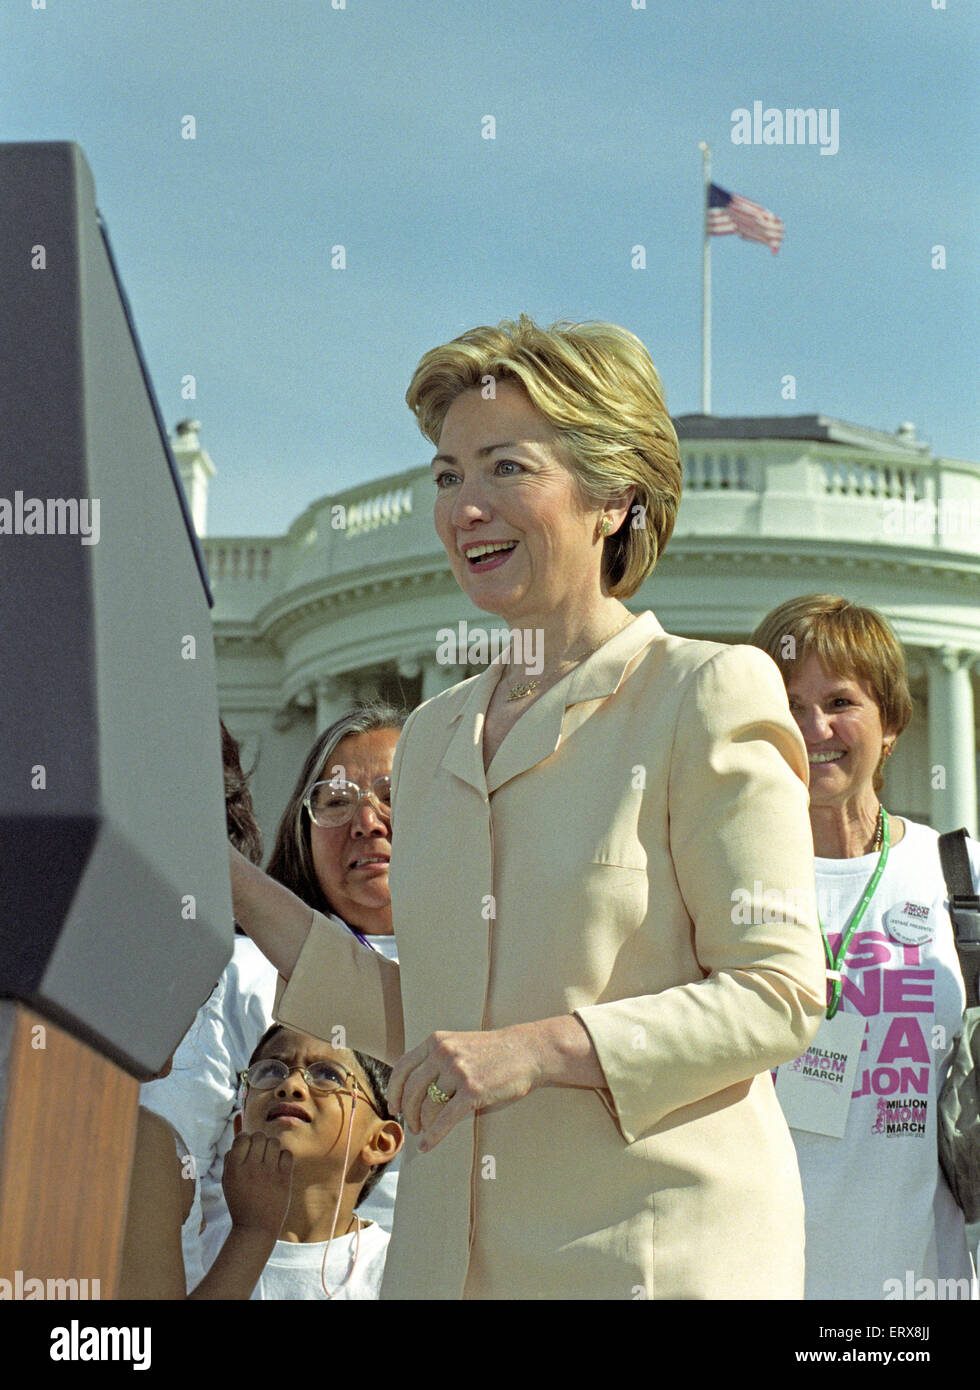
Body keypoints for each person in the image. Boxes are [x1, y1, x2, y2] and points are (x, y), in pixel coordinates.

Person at [231, 315, 826, 1299]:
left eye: (505, 468)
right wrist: (236, 888)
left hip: (650, 1267)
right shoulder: (430, 738)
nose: (466, 507)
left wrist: (541, 1048)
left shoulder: (706, 693)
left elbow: (776, 992)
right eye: (447, 475)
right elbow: (429, 1026)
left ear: (613, 497)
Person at [750, 593, 978, 1300]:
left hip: (920, 1288)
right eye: (789, 703)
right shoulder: (717, 878)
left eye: (841, 700)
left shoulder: (960, 873)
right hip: (757, 1280)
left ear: (891, 724)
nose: (813, 727)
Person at [142, 707, 407, 1278]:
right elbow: (171, 1162)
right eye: (337, 801)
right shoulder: (236, 973)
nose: (367, 820)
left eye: (395, 794)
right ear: (302, 827)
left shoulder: (491, 977)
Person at [237, 1025, 403, 1299]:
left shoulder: (403, 1272)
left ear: (380, 1142)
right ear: (239, 1129)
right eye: (270, 1071)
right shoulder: (189, 1251)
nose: (290, 1086)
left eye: (328, 1074)